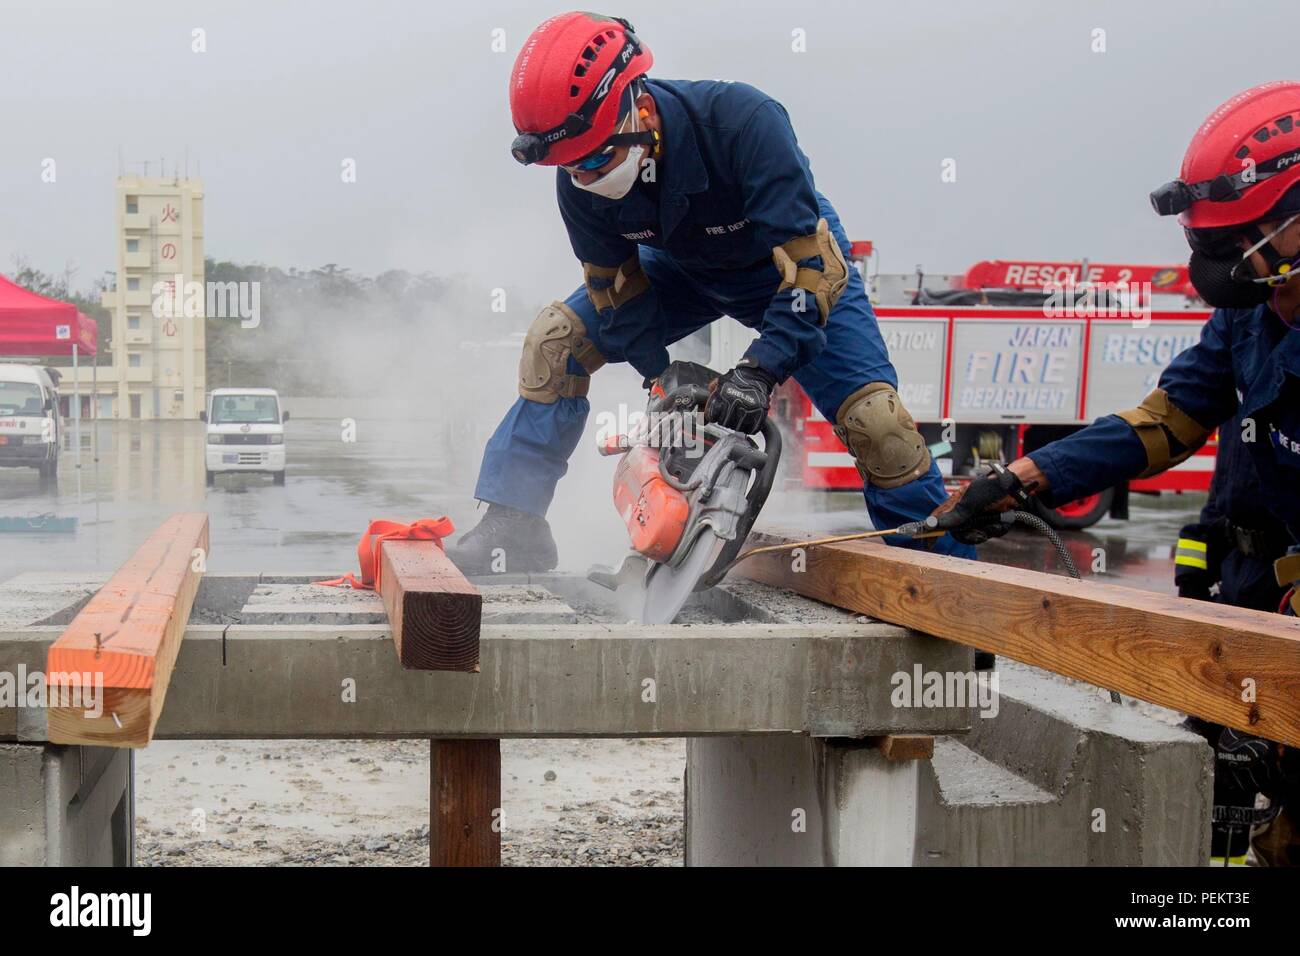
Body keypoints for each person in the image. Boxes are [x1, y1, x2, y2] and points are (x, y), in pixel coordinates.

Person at [448, 11, 975, 573]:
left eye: (599, 159)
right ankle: (516, 523)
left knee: (879, 423)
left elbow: (811, 271)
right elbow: (614, 288)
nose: (586, 178)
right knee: (554, 345)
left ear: (641, 107)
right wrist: (660, 377)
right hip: (682, 266)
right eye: (573, 168)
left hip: (788, 263)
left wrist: (760, 371)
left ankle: (944, 573)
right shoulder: (579, 177)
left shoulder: (746, 122)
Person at [931, 81, 1300, 866]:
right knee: (1220, 804)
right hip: (1251, 604)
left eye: (1245, 239)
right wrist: (1025, 479)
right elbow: (1169, 421)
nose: (1230, 263)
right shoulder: (1251, 310)